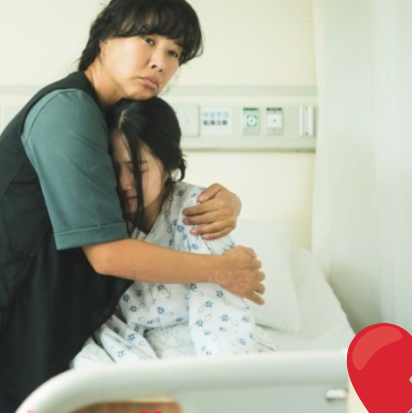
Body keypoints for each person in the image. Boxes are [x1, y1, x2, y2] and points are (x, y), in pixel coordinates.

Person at [0, 0, 265, 413]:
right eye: (148, 41)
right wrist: (221, 270)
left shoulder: (106, 118)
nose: (160, 63)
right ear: (105, 39)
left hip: (19, 327)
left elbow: (159, 186)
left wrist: (227, 201)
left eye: (174, 52)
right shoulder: (69, 111)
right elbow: (108, 253)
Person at [75, 97, 268, 367]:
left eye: (137, 169)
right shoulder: (100, 214)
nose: (124, 183)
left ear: (168, 165)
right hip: (129, 347)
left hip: (200, 344)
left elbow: (221, 317)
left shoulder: (200, 211)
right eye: (113, 169)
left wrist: (223, 375)